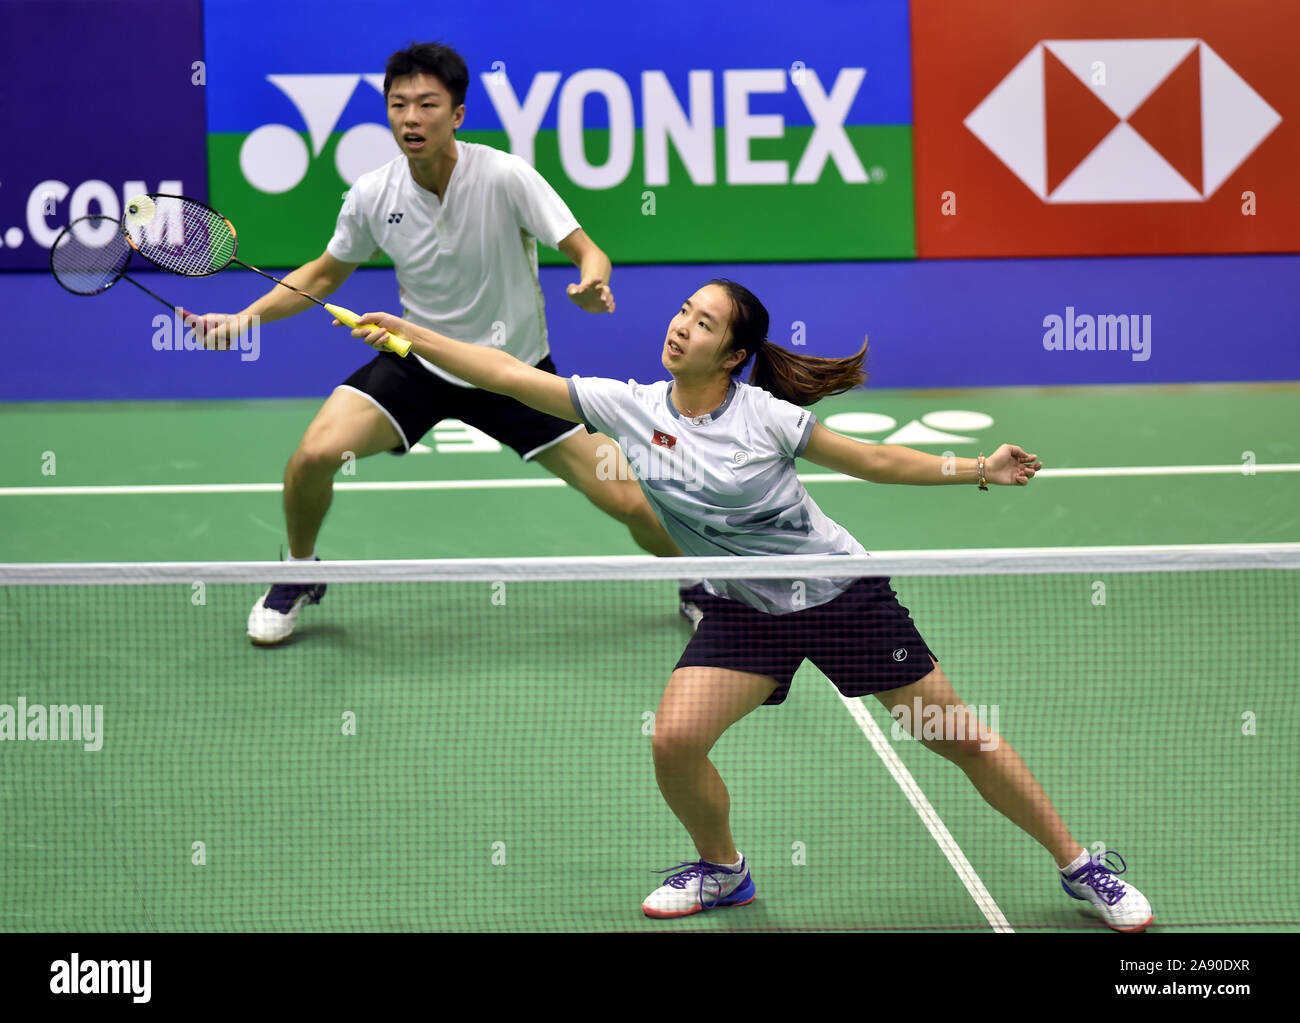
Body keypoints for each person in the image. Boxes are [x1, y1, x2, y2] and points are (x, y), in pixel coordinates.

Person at [343, 279, 1154, 933]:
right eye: (682, 313)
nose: (680, 328)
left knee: (959, 736)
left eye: (702, 323)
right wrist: (409, 339)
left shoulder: (766, 417)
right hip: (744, 610)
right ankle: (724, 869)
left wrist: (978, 466)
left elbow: (871, 459)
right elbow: (506, 374)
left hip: (841, 598)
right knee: (674, 736)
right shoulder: (632, 407)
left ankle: (1080, 865)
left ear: (732, 354)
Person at [195, 42, 684, 645]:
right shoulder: (373, 194)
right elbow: (323, 275)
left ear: (456, 114)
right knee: (312, 457)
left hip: (515, 374)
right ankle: (298, 570)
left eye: (427, 103)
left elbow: (585, 248)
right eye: (398, 104)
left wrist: (592, 281)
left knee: (635, 505)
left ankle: (700, 585)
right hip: (417, 364)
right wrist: (244, 320)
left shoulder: (504, 176)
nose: (410, 117)